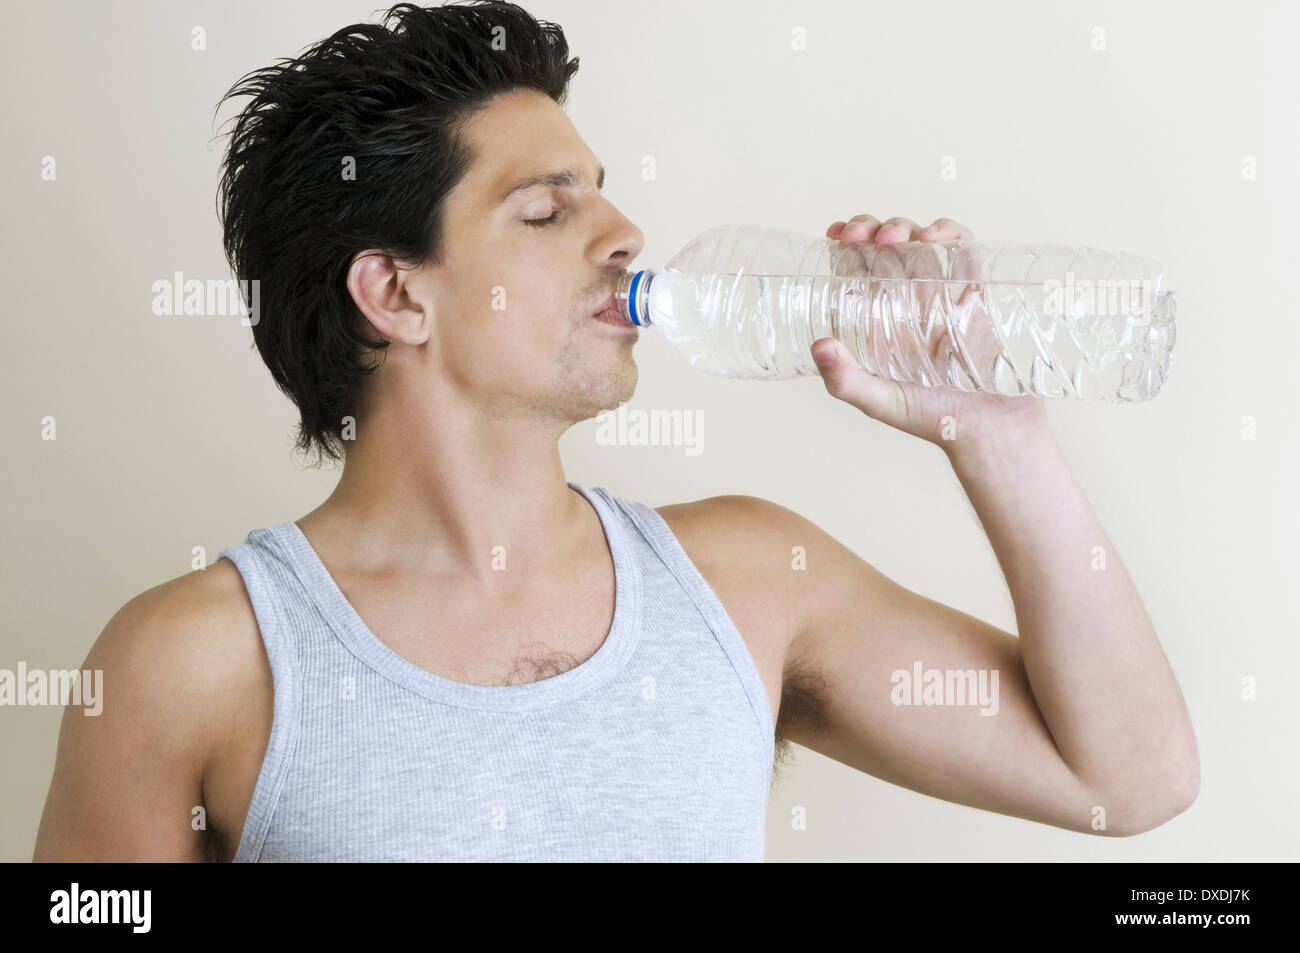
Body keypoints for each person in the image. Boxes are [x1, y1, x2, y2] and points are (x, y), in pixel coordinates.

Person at [33, 1, 1198, 862]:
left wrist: (993, 429)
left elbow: (1128, 774)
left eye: (601, 189)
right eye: (545, 210)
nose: (626, 232)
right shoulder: (188, 660)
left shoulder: (747, 577)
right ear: (395, 294)